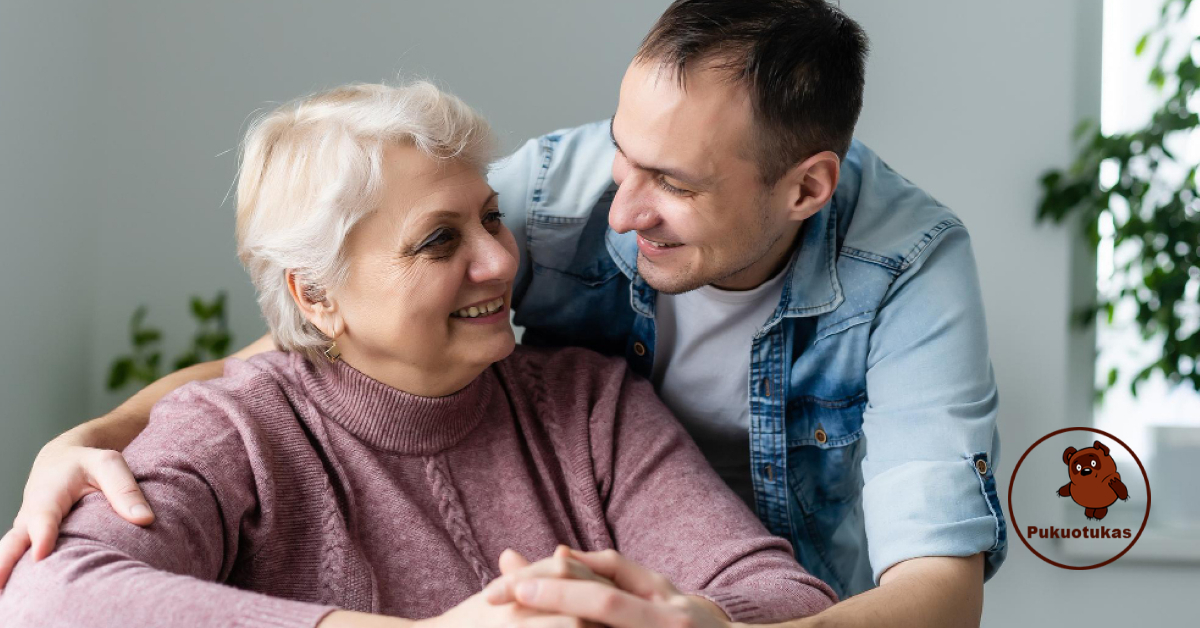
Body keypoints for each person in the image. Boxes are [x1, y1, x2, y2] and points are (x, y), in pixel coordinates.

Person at [3, 1, 1007, 626]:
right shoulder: (243, 428)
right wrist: (91, 436)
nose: (505, 254)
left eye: (670, 182)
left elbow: (908, 595)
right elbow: (50, 600)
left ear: (805, 189)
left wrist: (685, 621)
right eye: (445, 239)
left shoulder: (590, 403)